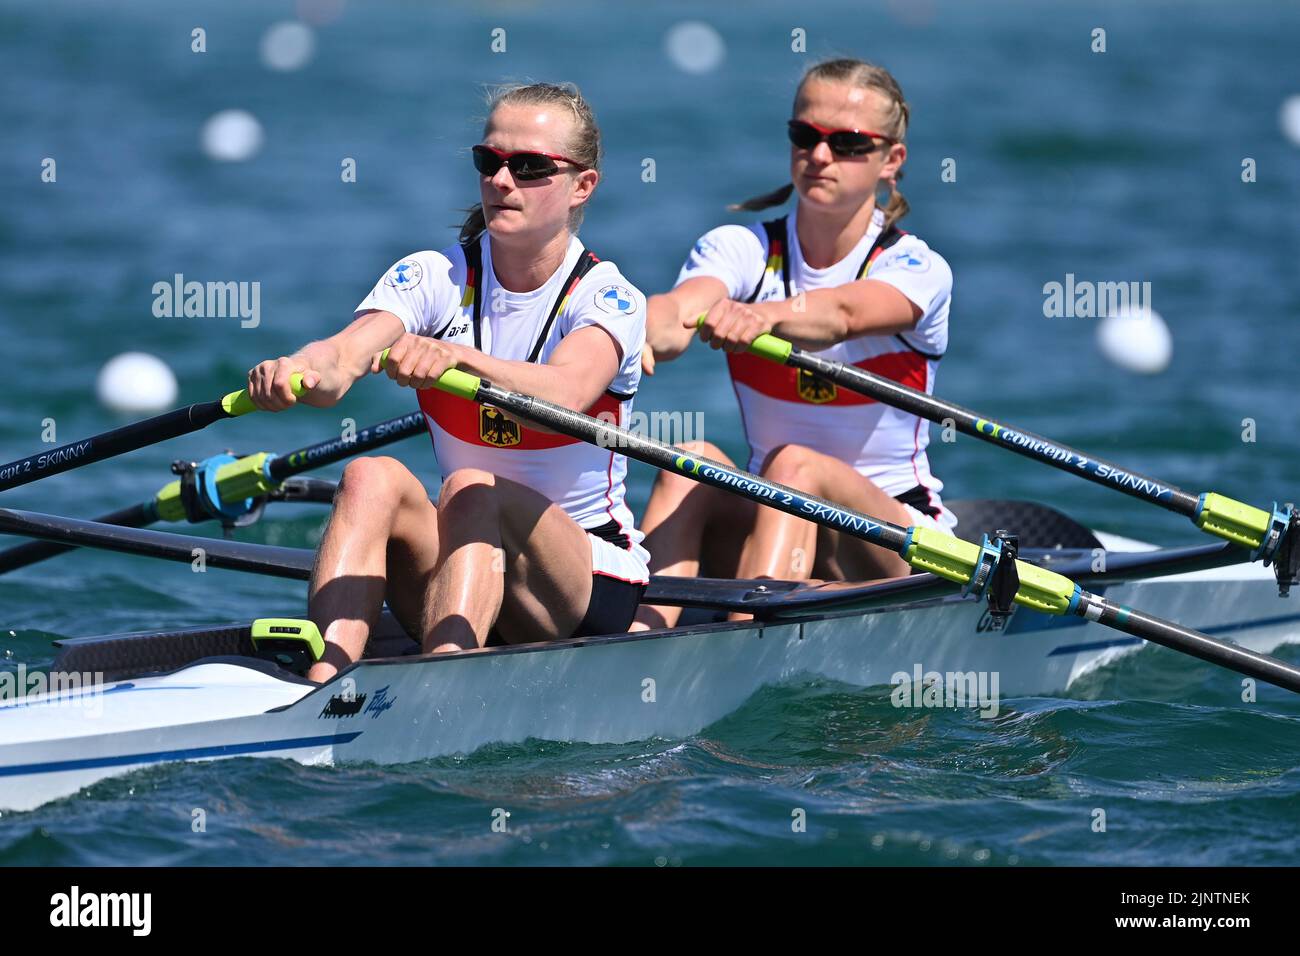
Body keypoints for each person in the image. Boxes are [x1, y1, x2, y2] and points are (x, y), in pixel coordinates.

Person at [246, 83, 648, 682]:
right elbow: (341, 361)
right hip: (467, 558)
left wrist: (456, 360)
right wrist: (297, 370)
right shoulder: (434, 274)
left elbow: (565, 391)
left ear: (581, 187)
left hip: (585, 582)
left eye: (531, 166)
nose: (502, 181)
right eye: (490, 162)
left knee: (469, 485)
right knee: (369, 474)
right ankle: (324, 681)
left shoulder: (607, 298)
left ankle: (441, 684)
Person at [634, 58, 955, 631]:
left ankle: (743, 643)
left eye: (849, 142)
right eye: (805, 136)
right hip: (774, 521)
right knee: (693, 459)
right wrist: (635, 332)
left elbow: (842, 313)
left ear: (892, 161)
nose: (821, 155)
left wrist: (761, 318)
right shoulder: (740, 249)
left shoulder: (913, 266)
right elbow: (679, 308)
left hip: (897, 545)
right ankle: (637, 644)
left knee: (797, 466)